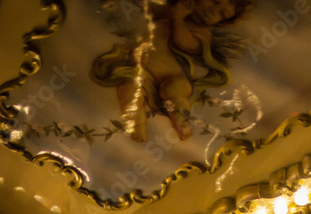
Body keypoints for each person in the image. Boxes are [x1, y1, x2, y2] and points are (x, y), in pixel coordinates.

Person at [91, 0, 251, 142]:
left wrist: (178, 18)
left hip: (172, 76)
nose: (214, 11)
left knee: (175, 90)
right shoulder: (171, 11)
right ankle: (136, 122)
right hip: (142, 71)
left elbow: (186, 44)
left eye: (222, 13)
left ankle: (182, 123)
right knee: (128, 86)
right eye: (215, 2)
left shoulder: (200, 31)